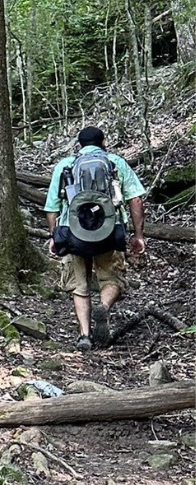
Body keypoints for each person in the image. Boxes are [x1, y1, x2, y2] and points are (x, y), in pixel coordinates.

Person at [44, 126, 147, 351]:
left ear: (79, 144)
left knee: (79, 285)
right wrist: (138, 235)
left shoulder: (65, 165)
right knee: (112, 279)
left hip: (73, 232)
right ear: (103, 142)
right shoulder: (115, 163)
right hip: (110, 230)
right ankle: (104, 306)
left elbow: (51, 207)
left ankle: (84, 335)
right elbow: (136, 200)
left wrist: (55, 236)